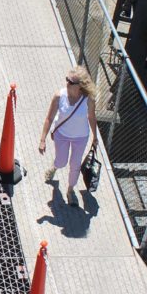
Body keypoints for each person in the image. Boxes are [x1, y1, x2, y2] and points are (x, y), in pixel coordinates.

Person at [37, 65, 98, 206]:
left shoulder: (88, 99)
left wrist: (95, 137)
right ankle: (55, 167)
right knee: (61, 161)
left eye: (71, 81)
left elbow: (92, 118)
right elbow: (49, 118)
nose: (67, 83)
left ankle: (70, 190)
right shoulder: (59, 96)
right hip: (62, 135)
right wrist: (42, 140)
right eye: (67, 80)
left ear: (80, 85)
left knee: (75, 164)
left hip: (81, 137)